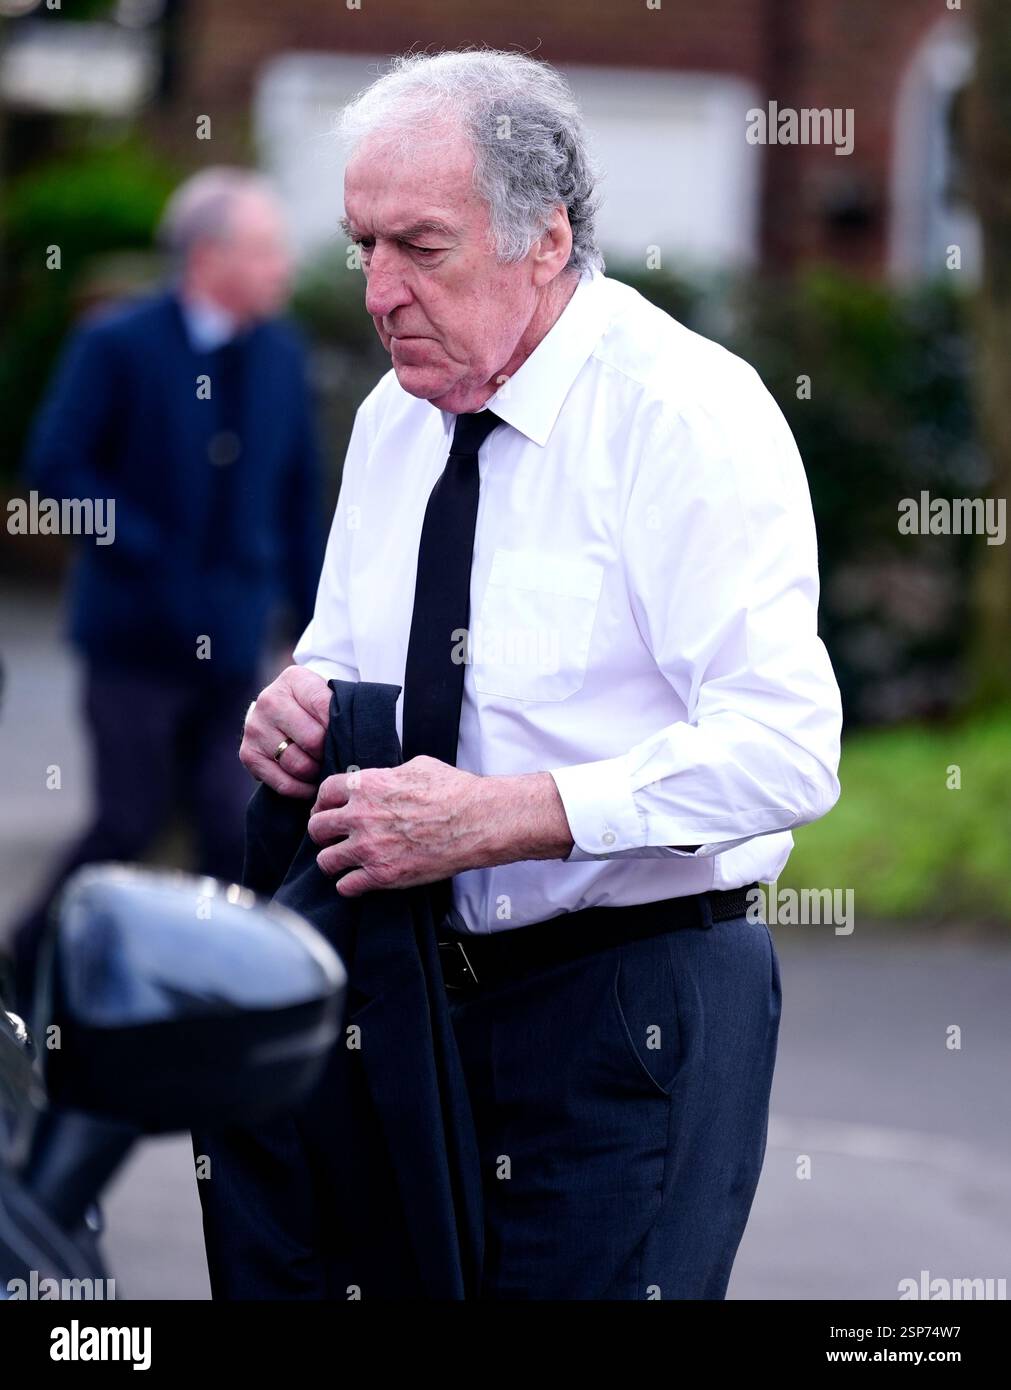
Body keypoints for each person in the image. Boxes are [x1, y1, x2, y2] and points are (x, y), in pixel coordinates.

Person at [239, 50, 843, 1300]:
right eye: (363, 246)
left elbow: (789, 748)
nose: (380, 291)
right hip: (415, 998)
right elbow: (344, 647)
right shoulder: (395, 416)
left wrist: (505, 817)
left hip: (636, 1005)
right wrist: (298, 707)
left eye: (422, 247)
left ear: (546, 238)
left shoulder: (685, 417)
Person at [8, 167, 323, 1014]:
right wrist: (142, 551)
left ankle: (220, 1001)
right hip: (133, 641)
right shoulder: (119, 344)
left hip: (232, 640)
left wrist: (314, 619)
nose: (282, 270)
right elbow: (57, 468)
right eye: (265, 250)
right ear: (210, 255)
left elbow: (298, 495)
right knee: (126, 820)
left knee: (231, 826)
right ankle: (26, 967)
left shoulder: (280, 353)